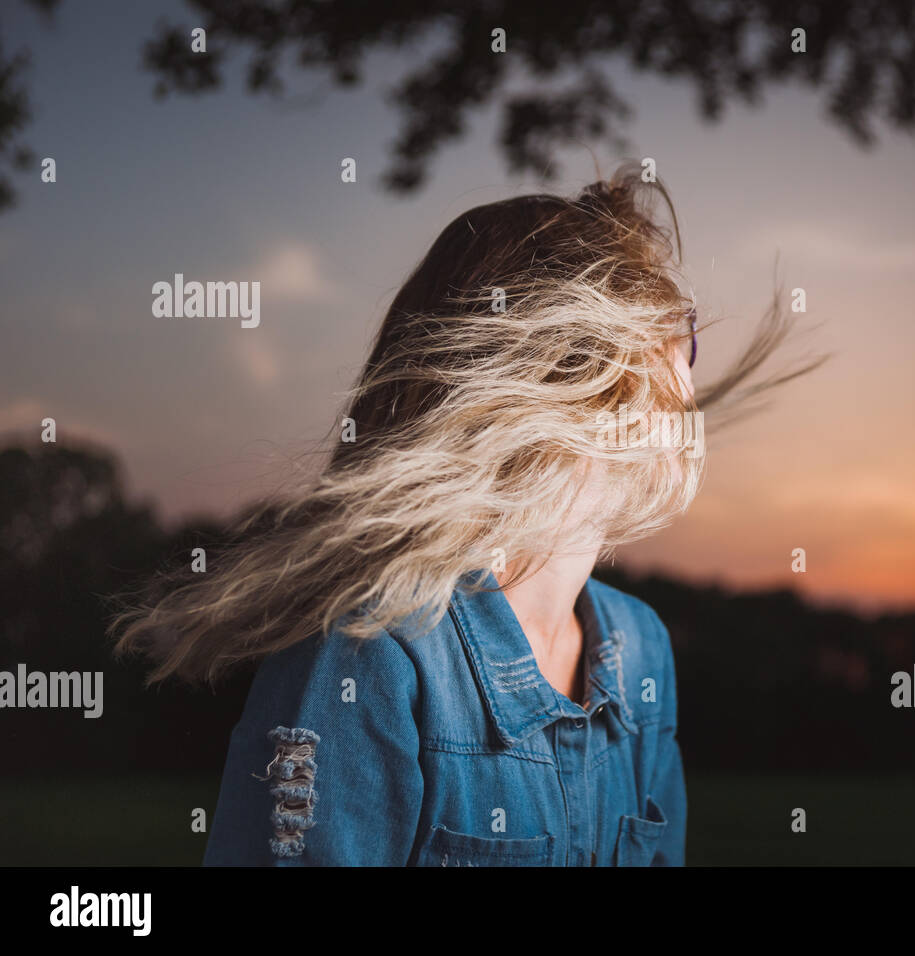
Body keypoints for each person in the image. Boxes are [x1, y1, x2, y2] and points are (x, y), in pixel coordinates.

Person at [112, 163, 813, 866]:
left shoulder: (640, 647)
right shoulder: (369, 651)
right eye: (678, 341)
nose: (688, 379)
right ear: (576, 372)